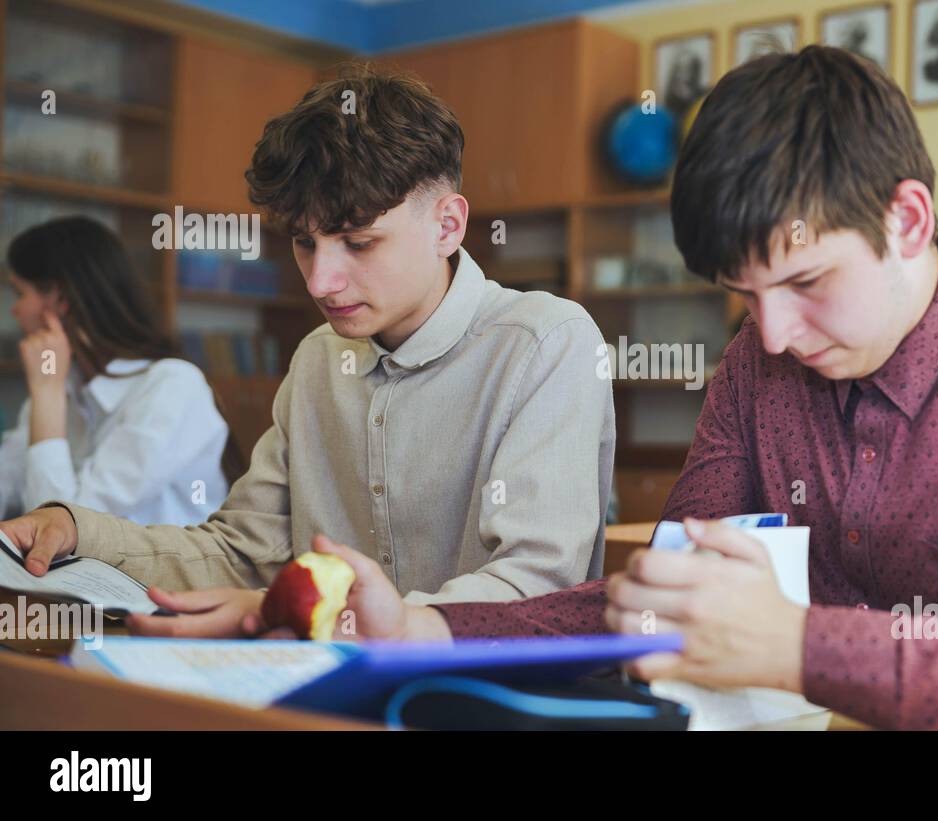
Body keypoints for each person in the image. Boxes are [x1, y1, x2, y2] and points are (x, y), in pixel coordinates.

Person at [304, 46, 938, 731]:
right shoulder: (760, 363)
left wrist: (799, 646)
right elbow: (667, 595)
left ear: (906, 220)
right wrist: (431, 630)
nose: (770, 333)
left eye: (807, 283)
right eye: (744, 294)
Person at [0, 65, 615, 636]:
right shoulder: (318, 359)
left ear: (447, 227)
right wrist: (80, 531)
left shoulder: (546, 344)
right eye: (303, 243)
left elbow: (539, 588)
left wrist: (344, 618)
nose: (321, 282)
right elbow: (243, 554)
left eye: (358, 242)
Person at [0, 216, 232, 525]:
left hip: (161, 572)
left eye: (20, 293)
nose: (15, 310)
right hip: (91, 572)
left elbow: (65, 528)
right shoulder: (64, 385)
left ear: (58, 298)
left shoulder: (173, 386)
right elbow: (7, 479)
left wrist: (47, 393)